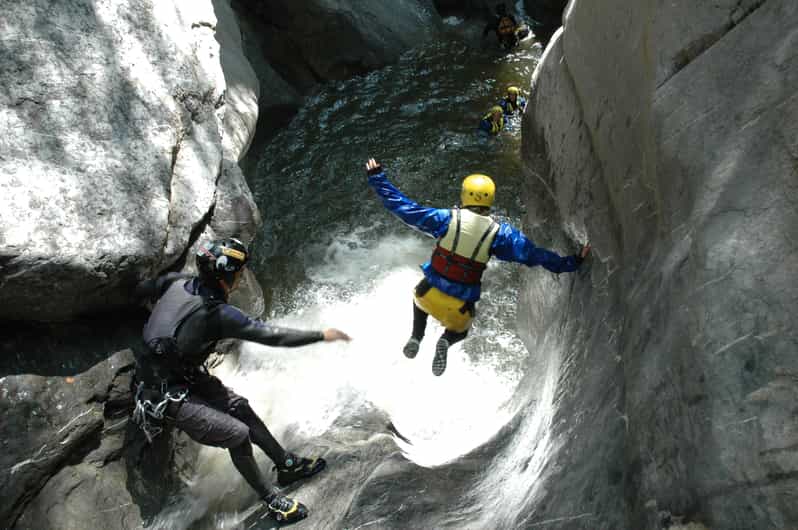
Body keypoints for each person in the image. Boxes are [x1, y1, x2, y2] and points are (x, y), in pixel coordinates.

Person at [132, 238, 351, 524]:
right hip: (165, 396)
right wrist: (321, 335)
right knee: (237, 434)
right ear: (227, 273)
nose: (242, 276)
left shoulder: (179, 282)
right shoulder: (218, 314)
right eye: (240, 270)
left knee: (240, 407)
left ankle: (287, 465)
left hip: (179, 377)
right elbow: (272, 336)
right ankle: (274, 502)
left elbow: (142, 290)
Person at [365, 159, 590, 376]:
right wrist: (572, 262)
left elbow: (403, 208)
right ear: (489, 200)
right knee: (460, 331)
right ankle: (446, 340)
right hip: (460, 310)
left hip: (427, 295)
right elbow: (534, 256)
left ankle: (416, 337)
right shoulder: (500, 235)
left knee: (418, 300)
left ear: (464, 195)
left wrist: (378, 178)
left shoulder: (445, 219)